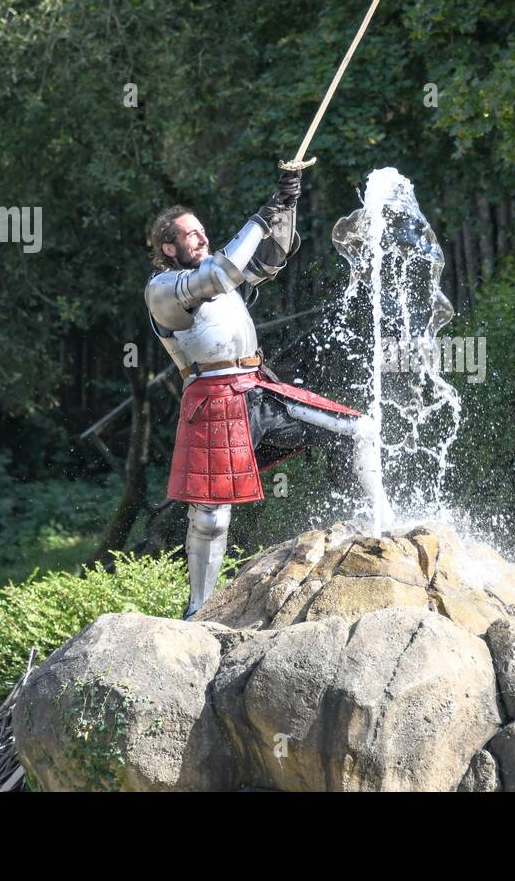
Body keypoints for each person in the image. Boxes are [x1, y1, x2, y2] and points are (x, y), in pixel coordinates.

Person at [144, 171, 393, 620]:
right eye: (191, 234)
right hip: (212, 402)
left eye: (203, 231)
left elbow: (272, 256)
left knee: (360, 427)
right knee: (210, 519)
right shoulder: (162, 290)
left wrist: (284, 205)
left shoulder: (222, 276)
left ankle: (381, 527)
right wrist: (260, 218)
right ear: (168, 247)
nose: (201, 238)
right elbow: (222, 272)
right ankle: (198, 610)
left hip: (258, 392)